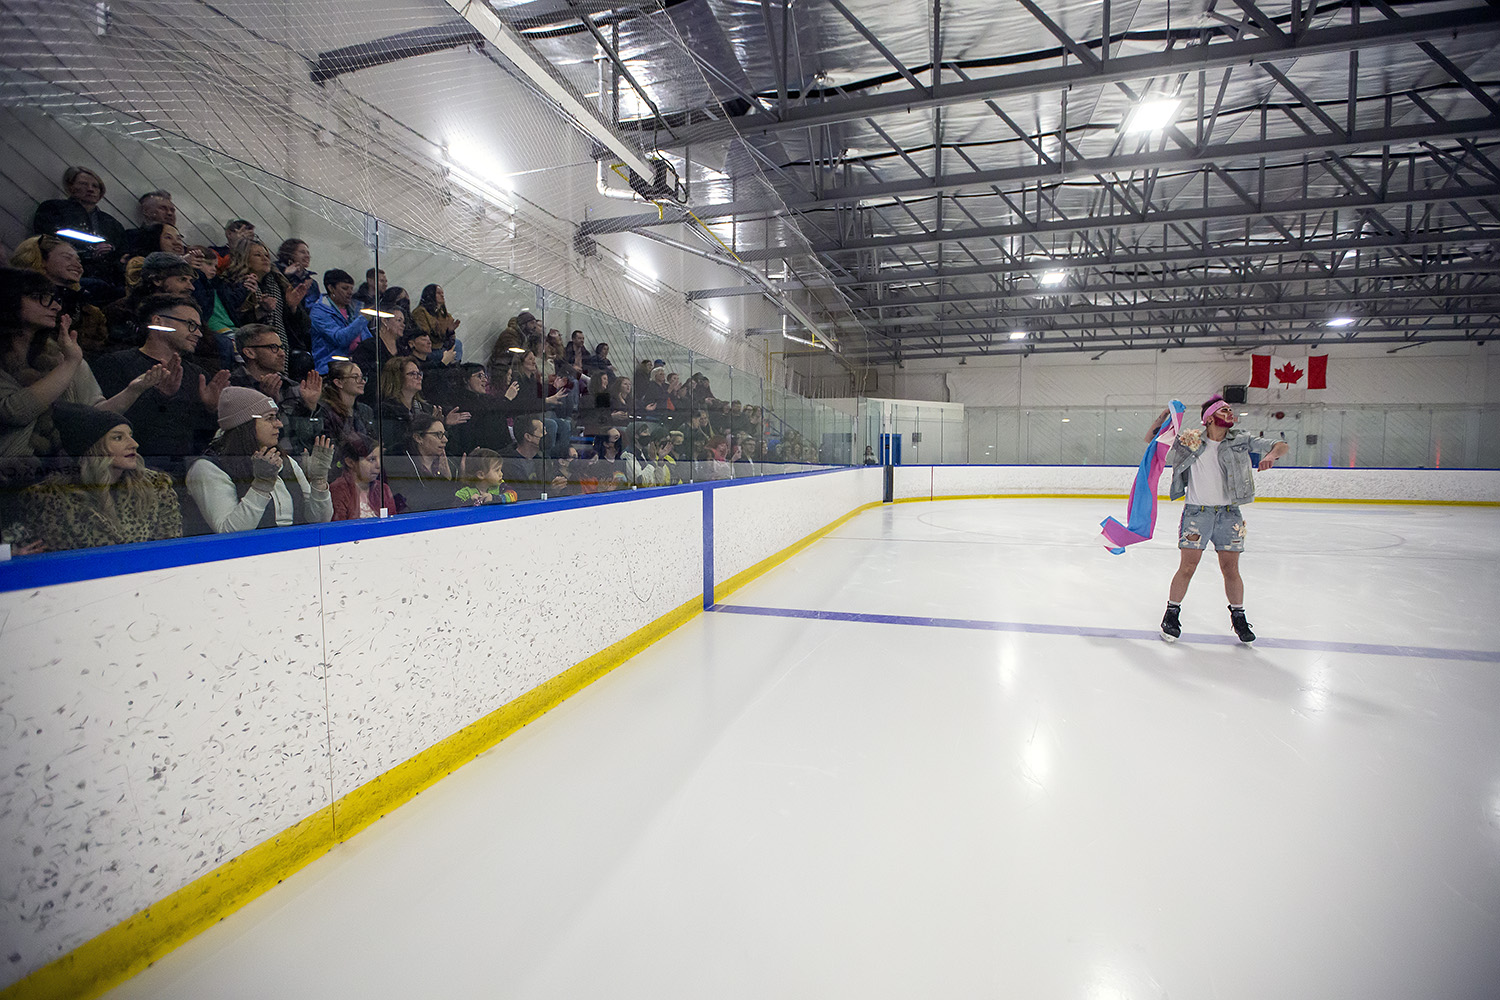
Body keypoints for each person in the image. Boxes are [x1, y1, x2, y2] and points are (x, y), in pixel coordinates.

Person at [1158, 394, 1289, 645]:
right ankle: (1171, 613)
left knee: (1230, 569)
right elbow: (1155, 445)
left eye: (1230, 409)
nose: (1231, 413)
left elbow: (1280, 445)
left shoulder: (1241, 439)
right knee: (1188, 567)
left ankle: (1239, 617)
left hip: (1230, 515)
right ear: (1209, 418)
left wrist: (1272, 455)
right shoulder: (1191, 441)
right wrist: (1164, 420)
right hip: (1197, 514)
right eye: (1224, 410)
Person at [92, 294, 228, 474]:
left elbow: (201, 438)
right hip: (133, 471)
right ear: (159, 321)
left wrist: (210, 410)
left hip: (186, 472)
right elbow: (109, 424)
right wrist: (160, 398)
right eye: (191, 325)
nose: (198, 333)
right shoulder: (116, 364)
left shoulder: (198, 374)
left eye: (199, 327)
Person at [23, 405, 182, 551]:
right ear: (92, 448)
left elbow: (170, 547)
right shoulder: (52, 499)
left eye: (130, 436)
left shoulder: (156, 486)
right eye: (118, 438)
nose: (134, 444)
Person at [186, 387, 334, 533]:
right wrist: (261, 487)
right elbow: (228, 532)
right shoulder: (208, 468)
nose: (279, 424)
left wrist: (319, 481)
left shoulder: (287, 462)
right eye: (270, 418)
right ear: (245, 425)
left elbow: (320, 520)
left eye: (276, 417)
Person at [10, 235, 110, 356]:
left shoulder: (90, 311)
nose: (78, 266)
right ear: (41, 260)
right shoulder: (20, 299)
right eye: (67, 258)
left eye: (79, 260)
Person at [31, 166, 128, 291]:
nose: (90, 189)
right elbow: (46, 241)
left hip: (107, 280)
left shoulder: (112, 223)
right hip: (64, 276)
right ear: (70, 187)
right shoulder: (54, 209)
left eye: (95, 186)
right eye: (83, 184)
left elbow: (122, 252)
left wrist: (110, 251)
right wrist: (88, 254)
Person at [229, 324, 323, 452]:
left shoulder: (294, 388)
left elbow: (306, 439)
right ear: (250, 352)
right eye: (273, 347)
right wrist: (266, 405)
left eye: (282, 347)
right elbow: (241, 438)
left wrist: (309, 407)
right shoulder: (233, 387)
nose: (282, 354)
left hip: (292, 463)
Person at [214, 239, 313, 357]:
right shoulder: (232, 284)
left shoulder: (280, 284)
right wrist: (259, 311)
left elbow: (304, 327)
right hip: (250, 350)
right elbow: (235, 321)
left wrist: (293, 308)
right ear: (244, 258)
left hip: (283, 350)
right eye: (257, 255)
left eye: (266, 255)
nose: (265, 258)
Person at [384, 414, 455, 513]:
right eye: (438, 435)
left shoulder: (450, 465)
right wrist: (446, 481)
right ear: (418, 438)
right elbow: (415, 503)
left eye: (444, 434)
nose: (445, 440)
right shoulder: (401, 466)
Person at [304, 359, 375, 452]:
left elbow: (373, 441)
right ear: (338, 382)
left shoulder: (365, 410)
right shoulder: (325, 410)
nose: (362, 382)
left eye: (362, 377)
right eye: (355, 377)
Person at [309, 269, 370, 372]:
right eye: (345, 288)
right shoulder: (319, 311)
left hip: (356, 365)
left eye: (351, 288)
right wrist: (363, 318)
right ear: (331, 288)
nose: (350, 292)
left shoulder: (353, 310)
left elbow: (367, 338)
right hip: (330, 367)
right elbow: (339, 338)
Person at [330, 433, 395, 520]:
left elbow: (393, 523)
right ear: (350, 462)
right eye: (371, 459)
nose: (379, 465)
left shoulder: (383, 489)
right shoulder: (338, 489)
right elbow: (339, 529)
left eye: (380, 458)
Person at [501, 416, 567, 501]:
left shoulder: (543, 460)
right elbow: (520, 495)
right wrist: (551, 490)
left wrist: (557, 485)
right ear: (528, 437)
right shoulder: (507, 463)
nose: (546, 434)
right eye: (542, 431)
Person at [410, 284, 461, 358]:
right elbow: (425, 333)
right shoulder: (420, 312)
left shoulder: (443, 314)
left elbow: (450, 337)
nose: (442, 295)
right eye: (438, 293)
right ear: (430, 295)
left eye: (442, 293)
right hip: (430, 347)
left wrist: (450, 331)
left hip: (442, 345)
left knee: (458, 344)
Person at [454, 448, 518, 506]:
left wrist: (494, 498)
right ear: (481, 475)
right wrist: (470, 502)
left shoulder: (501, 487)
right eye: (497, 470)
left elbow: (514, 495)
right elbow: (455, 507)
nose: (501, 474)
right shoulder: (465, 493)